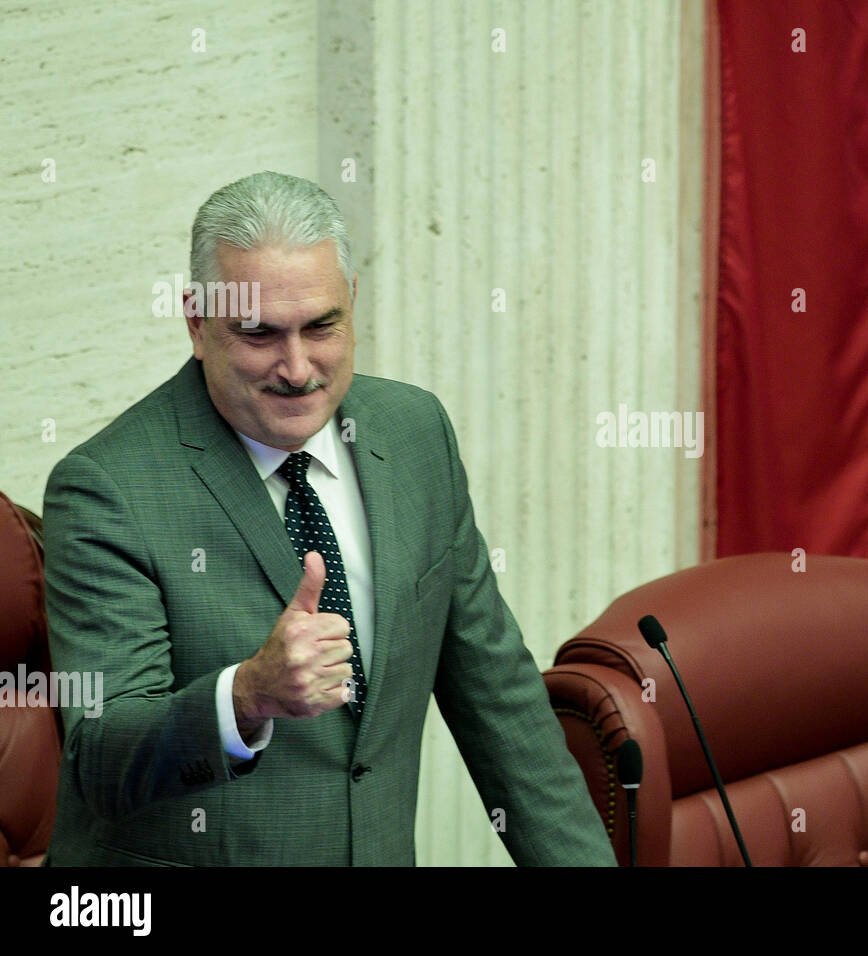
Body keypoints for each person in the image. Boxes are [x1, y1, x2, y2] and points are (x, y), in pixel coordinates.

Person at [42, 170, 616, 866]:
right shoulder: (109, 487)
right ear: (197, 323)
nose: (297, 367)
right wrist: (246, 696)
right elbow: (100, 758)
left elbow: (503, 707)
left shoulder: (414, 434)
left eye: (321, 326)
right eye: (258, 334)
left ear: (353, 305)